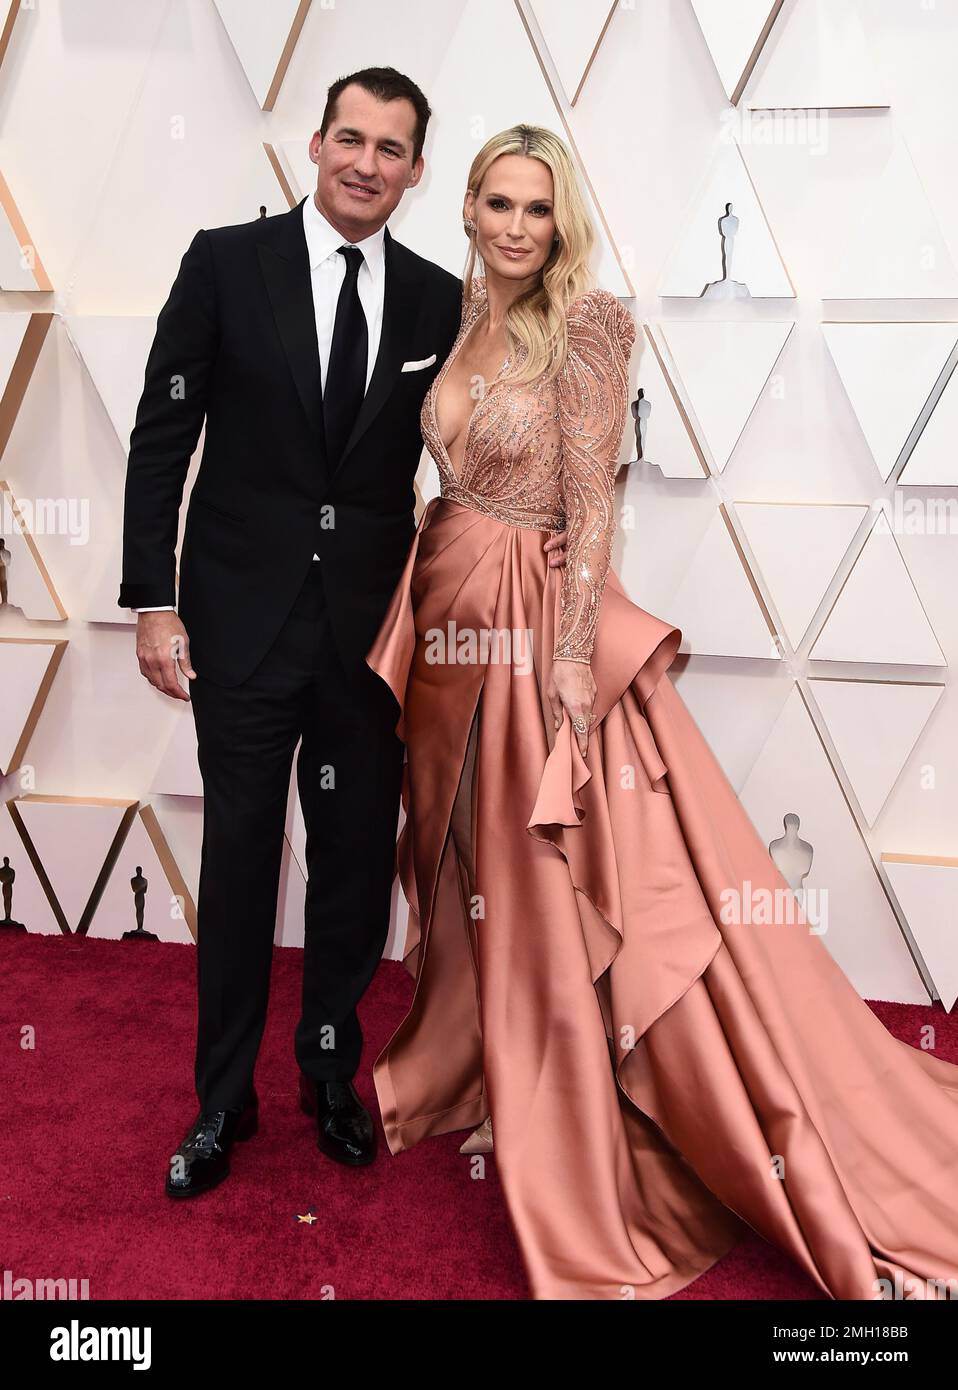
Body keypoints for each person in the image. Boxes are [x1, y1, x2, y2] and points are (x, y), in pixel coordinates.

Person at [366, 122, 958, 1300]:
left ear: (561, 222)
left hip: (533, 630)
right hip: (445, 619)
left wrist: (573, 659)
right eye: (499, 203)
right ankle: (497, 1070)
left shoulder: (589, 324)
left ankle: (577, 1122)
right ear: (466, 207)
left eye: (538, 208)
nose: (517, 227)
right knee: (471, 860)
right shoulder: (457, 315)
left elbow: (593, 502)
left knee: (548, 879)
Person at [118, 68, 567, 1198]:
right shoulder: (226, 263)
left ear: (417, 172)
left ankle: (328, 1073)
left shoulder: (435, 299)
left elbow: (490, 436)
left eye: (392, 149)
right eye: (351, 139)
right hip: (240, 622)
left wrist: (540, 545)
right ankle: (222, 1100)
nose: (368, 163)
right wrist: (153, 599)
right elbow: (162, 435)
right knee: (237, 860)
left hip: (373, 636)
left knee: (356, 865)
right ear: (316, 145)